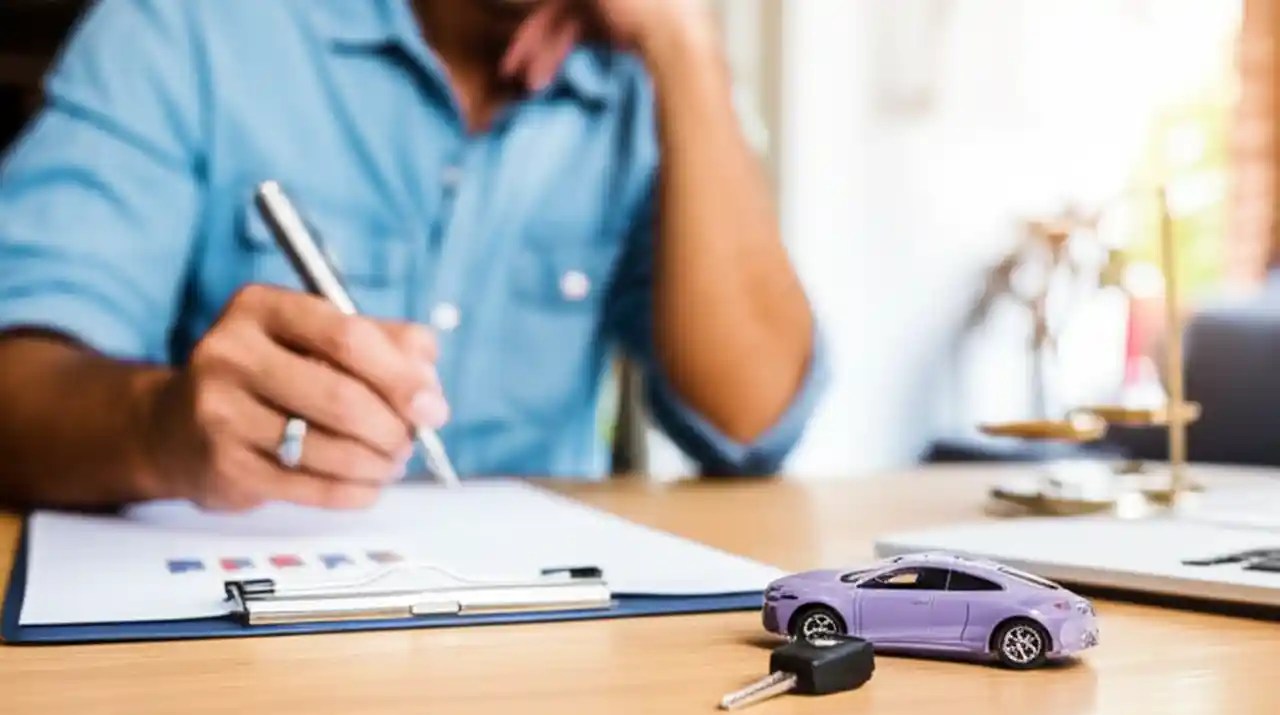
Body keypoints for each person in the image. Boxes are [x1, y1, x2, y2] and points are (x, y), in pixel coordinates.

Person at [0, 0, 825, 510]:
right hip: (241, 633)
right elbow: (15, 384)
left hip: (544, 641)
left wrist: (685, 39)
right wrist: (160, 427)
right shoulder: (185, 28)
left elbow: (751, 426)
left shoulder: (639, 77)